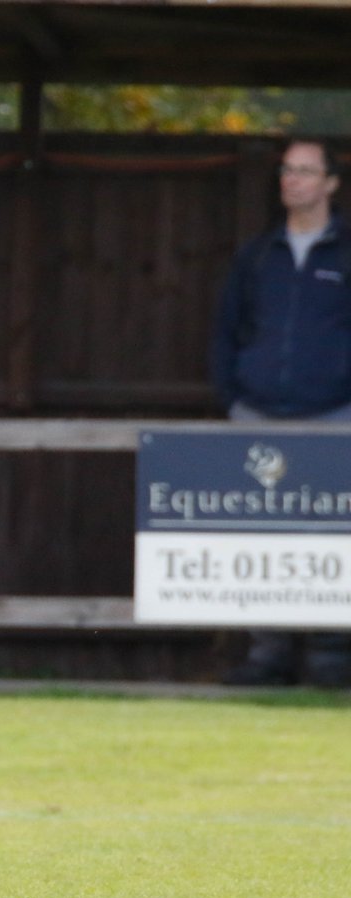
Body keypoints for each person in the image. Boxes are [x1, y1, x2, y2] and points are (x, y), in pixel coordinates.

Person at [210, 138, 351, 688]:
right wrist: (233, 397)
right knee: (258, 532)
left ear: (331, 183)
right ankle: (267, 654)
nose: (292, 180)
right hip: (258, 415)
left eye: (306, 171)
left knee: (334, 531)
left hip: (335, 415)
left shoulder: (346, 254)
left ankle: (331, 652)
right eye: (287, 170)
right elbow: (227, 331)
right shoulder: (257, 256)